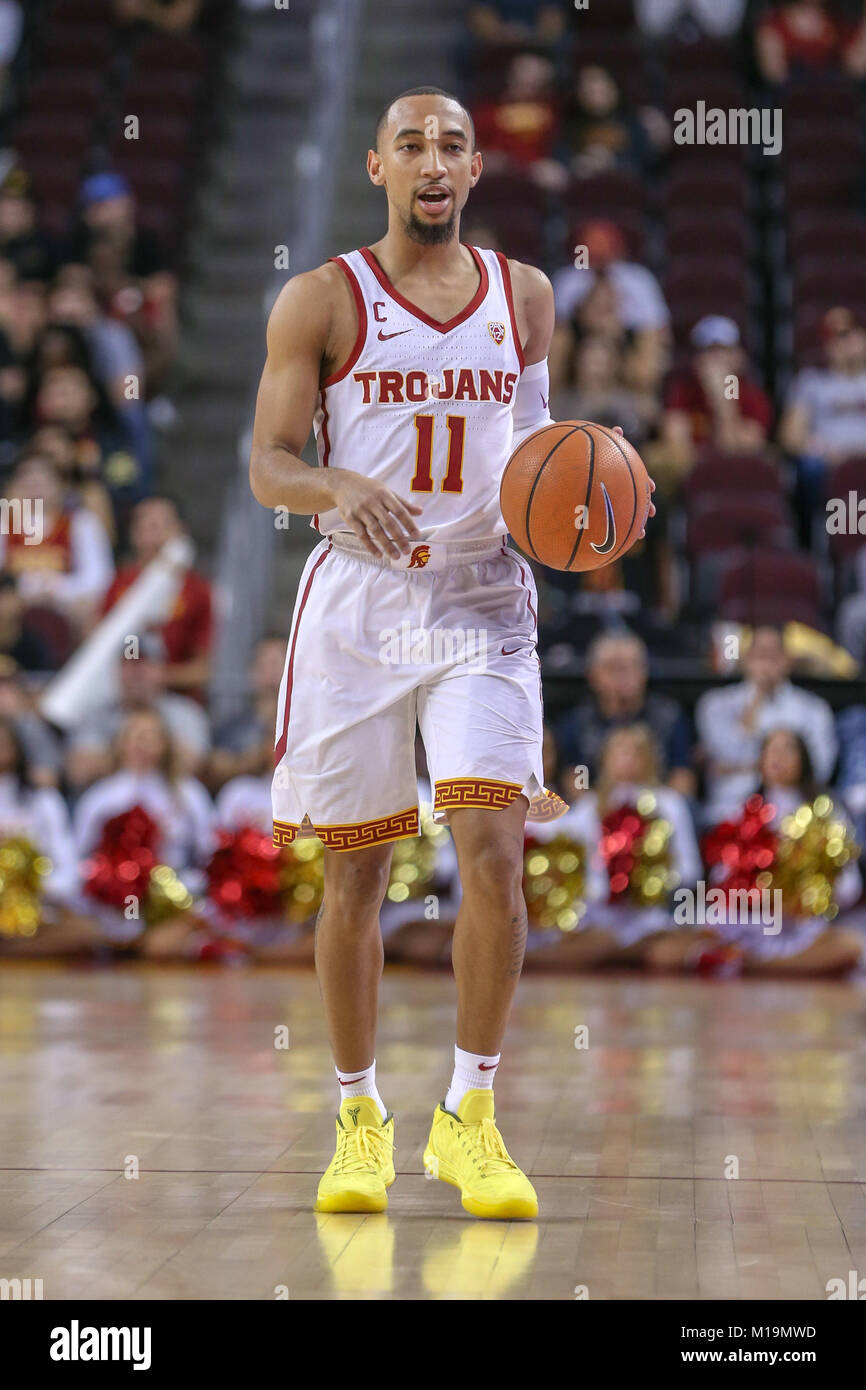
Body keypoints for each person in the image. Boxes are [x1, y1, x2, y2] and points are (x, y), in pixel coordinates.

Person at [248, 84, 654, 1220]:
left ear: (476, 171)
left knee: (490, 854)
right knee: (357, 873)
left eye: (453, 144)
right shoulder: (320, 299)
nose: (433, 159)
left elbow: (532, 454)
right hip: (359, 606)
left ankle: (470, 1117)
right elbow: (268, 462)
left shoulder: (523, 297)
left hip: (481, 599)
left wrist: (600, 482)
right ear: (376, 166)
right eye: (411, 143)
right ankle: (358, 1113)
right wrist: (331, 481)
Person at [524, 723, 705, 971]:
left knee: (665, 954)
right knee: (588, 944)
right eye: (619, 752)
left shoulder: (669, 803)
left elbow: (690, 869)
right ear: (605, 759)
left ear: (650, 757)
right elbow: (565, 850)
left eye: (635, 752)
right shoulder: (590, 805)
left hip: (649, 916)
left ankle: (618, 953)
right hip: (600, 917)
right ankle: (617, 953)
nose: (627, 760)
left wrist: (650, 877)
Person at [703, 728, 862, 975]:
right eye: (771, 749)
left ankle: (759, 965)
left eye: (788, 748)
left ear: (804, 760)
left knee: (850, 947)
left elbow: (851, 885)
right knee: (685, 943)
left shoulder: (827, 812)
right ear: (761, 759)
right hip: (750, 923)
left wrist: (806, 899)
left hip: (805, 929)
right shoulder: (741, 811)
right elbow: (719, 879)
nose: (778, 756)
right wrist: (755, 897)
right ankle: (769, 964)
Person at [696, 624, 838, 823]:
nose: (766, 663)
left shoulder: (814, 709)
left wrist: (745, 768)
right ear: (745, 659)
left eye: (774, 655)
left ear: (788, 660)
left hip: (797, 808)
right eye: (760, 654)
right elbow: (725, 753)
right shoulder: (715, 704)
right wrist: (756, 700)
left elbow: (821, 767)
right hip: (732, 806)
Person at [555, 630, 695, 797]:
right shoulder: (579, 722)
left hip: (656, 806)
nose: (624, 675)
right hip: (598, 809)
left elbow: (681, 775)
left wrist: (659, 809)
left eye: (632, 666)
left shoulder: (669, 716)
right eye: (613, 667)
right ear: (593, 675)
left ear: (645, 671)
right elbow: (575, 778)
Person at [102, 496, 213, 700]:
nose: (153, 535)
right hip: (119, 698)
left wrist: (158, 677)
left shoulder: (199, 591)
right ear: (134, 534)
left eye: (161, 525)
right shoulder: (118, 585)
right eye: (144, 526)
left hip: (175, 699)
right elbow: (99, 649)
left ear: (180, 531)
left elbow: (203, 669)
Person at [779, 306, 866, 545]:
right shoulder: (811, 381)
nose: (841, 342)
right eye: (832, 336)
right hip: (827, 463)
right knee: (808, 468)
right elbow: (790, 437)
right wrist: (824, 451)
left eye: (846, 333)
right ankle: (809, 549)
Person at [660, 315, 773, 483]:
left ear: (738, 357)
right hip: (693, 479)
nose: (716, 358)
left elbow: (739, 452)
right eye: (709, 351)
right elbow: (676, 446)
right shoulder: (683, 391)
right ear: (697, 359)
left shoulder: (752, 396)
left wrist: (722, 398)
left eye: (723, 350)